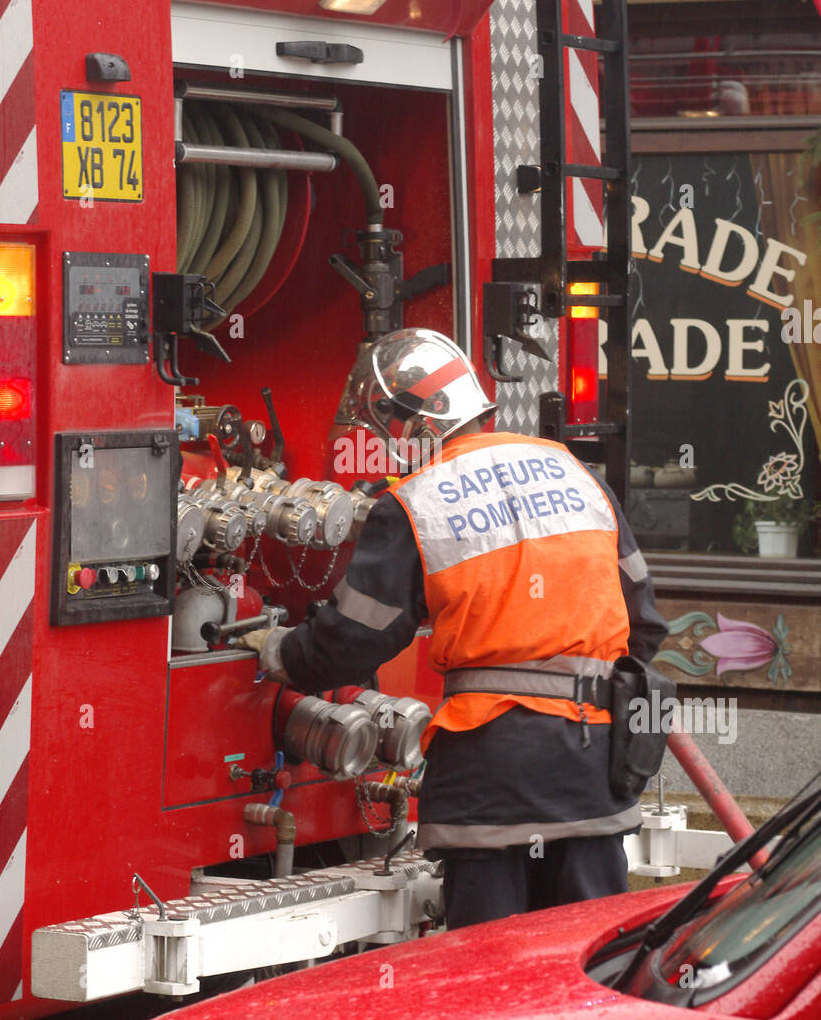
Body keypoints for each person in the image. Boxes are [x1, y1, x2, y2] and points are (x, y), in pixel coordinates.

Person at [243, 328, 669, 930]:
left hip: (491, 777)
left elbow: (357, 639)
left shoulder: (413, 502)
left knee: (487, 977)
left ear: (418, 424)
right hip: (592, 773)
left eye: (391, 429)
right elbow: (645, 625)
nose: (391, 447)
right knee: (589, 967)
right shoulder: (575, 474)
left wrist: (281, 651)